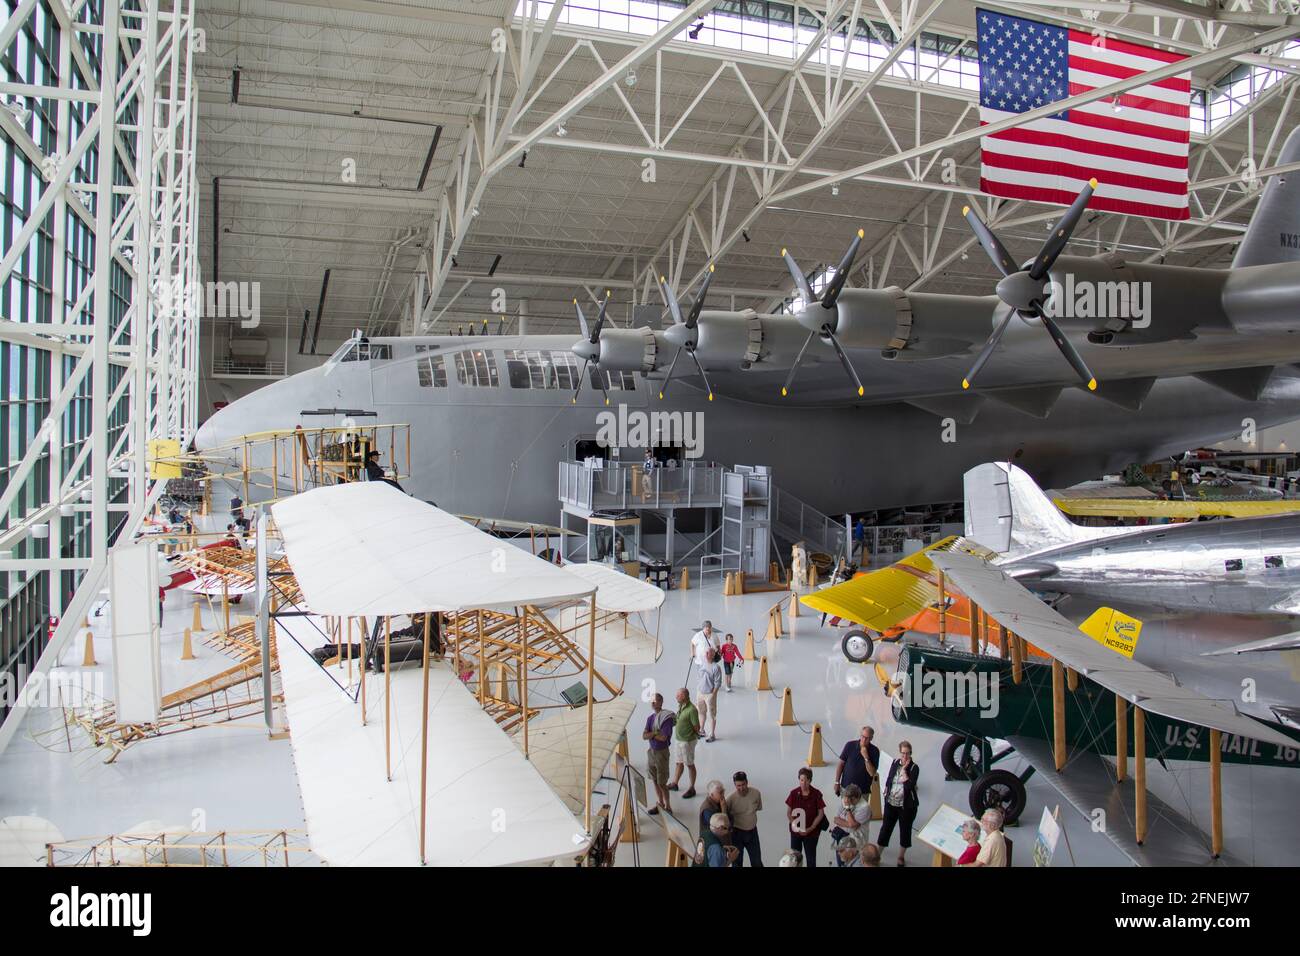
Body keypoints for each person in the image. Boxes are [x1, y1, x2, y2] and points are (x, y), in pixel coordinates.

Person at [876, 740, 920, 866]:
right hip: (891, 802)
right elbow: (890, 778)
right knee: (885, 828)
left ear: (910, 753)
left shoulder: (914, 768)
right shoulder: (895, 762)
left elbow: (910, 786)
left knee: (905, 831)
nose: (905, 756)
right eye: (902, 753)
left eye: (907, 754)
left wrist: (905, 771)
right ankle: (878, 853)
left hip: (906, 807)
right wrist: (886, 790)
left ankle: (901, 856)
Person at [785, 767, 827, 867]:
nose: (803, 783)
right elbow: (789, 813)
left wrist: (811, 828)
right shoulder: (794, 793)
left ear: (810, 780)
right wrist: (797, 828)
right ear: (799, 779)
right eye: (801, 780)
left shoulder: (816, 794)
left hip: (811, 833)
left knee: (811, 859)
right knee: (795, 859)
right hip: (796, 833)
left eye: (806, 780)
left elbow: (820, 813)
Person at [641, 693, 675, 815]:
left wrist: (652, 734)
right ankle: (660, 803)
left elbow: (663, 737)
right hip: (652, 752)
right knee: (655, 780)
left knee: (662, 782)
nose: (653, 703)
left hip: (662, 753)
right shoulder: (650, 718)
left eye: (655, 701)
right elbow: (644, 736)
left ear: (661, 702)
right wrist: (655, 733)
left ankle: (668, 806)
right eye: (652, 702)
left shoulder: (666, 718)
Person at [834, 726, 880, 806]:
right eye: (863, 736)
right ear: (860, 735)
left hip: (863, 792)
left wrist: (866, 756)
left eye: (867, 738)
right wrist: (837, 782)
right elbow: (841, 764)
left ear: (871, 738)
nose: (864, 740)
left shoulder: (875, 751)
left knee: (860, 816)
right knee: (845, 813)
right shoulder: (850, 745)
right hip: (846, 789)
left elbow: (872, 773)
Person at [725, 771, 763, 867]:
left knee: (757, 861)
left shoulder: (756, 793)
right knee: (737, 862)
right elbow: (725, 816)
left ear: (747, 782)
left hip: (752, 832)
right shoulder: (730, 799)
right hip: (737, 834)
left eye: (743, 785)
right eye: (738, 786)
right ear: (734, 785)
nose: (741, 788)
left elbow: (758, 807)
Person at [668, 687, 701, 798]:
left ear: (684, 696)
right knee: (679, 762)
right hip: (679, 740)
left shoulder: (692, 710)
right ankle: (675, 783)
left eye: (678, 695)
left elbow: (697, 727)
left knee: (689, 764)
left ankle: (692, 788)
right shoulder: (681, 706)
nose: (676, 696)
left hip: (687, 742)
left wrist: (693, 735)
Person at [830, 783, 870, 862]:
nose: (848, 801)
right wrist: (849, 824)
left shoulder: (864, 807)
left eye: (851, 799)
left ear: (857, 798)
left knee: (854, 861)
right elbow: (836, 819)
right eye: (847, 799)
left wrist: (847, 808)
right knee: (841, 858)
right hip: (841, 835)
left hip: (856, 839)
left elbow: (853, 826)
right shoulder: (845, 799)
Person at [695, 648, 722, 742]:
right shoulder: (702, 664)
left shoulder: (716, 667)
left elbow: (718, 683)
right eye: (706, 652)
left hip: (709, 695)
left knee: (712, 715)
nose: (706, 653)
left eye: (708, 652)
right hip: (700, 693)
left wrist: (713, 695)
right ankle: (702, 730)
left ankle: (712, 734)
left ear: (713, 654)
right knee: (701, 712)